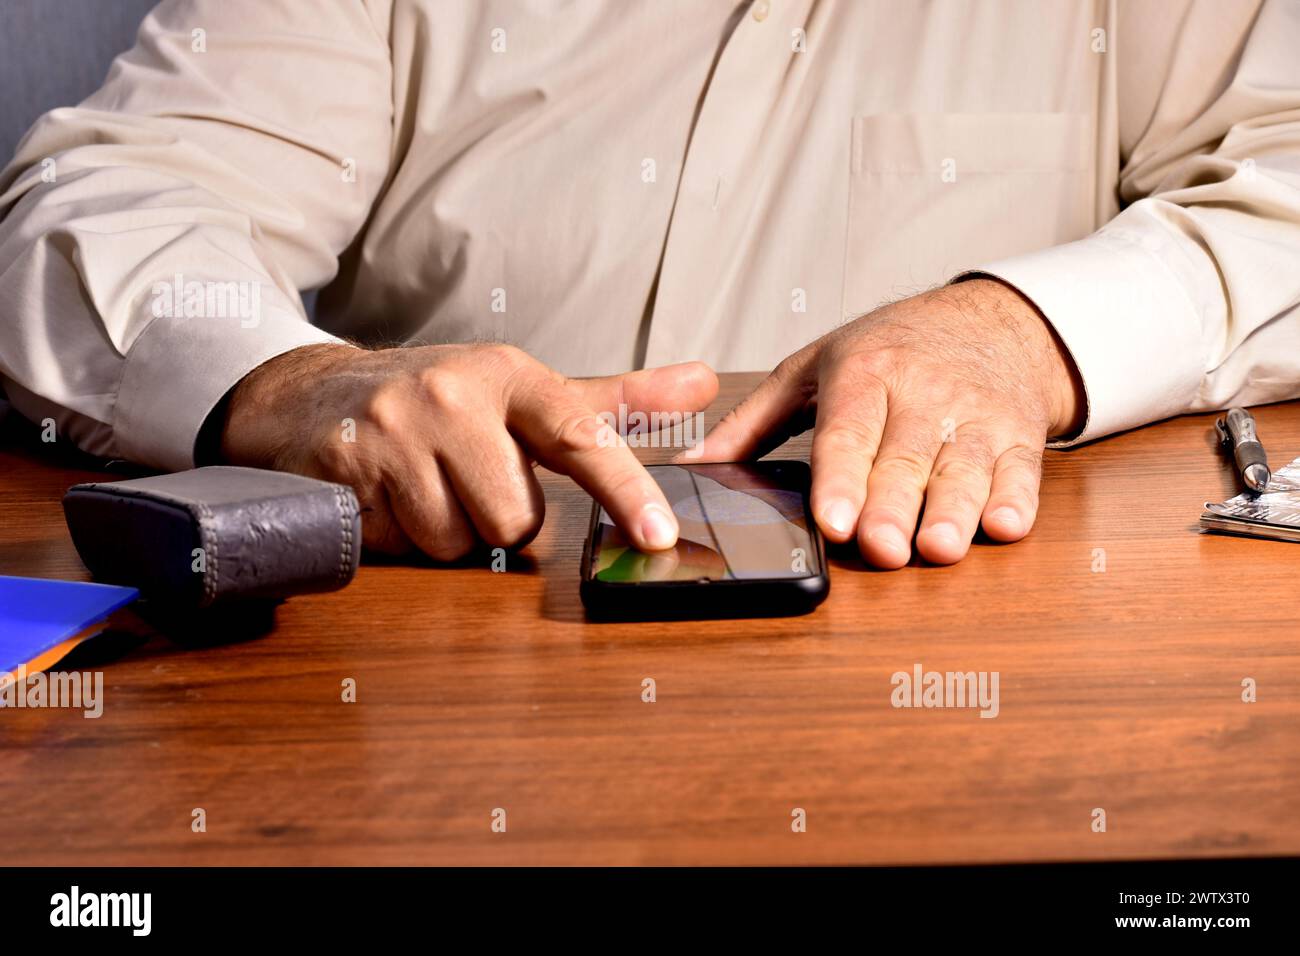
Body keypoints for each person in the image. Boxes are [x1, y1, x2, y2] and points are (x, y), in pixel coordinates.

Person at [1, 0, 1297, 568]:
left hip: (963, 670)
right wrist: (293, 381)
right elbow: (114, 201)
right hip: (436, 677)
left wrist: (1025, 330)